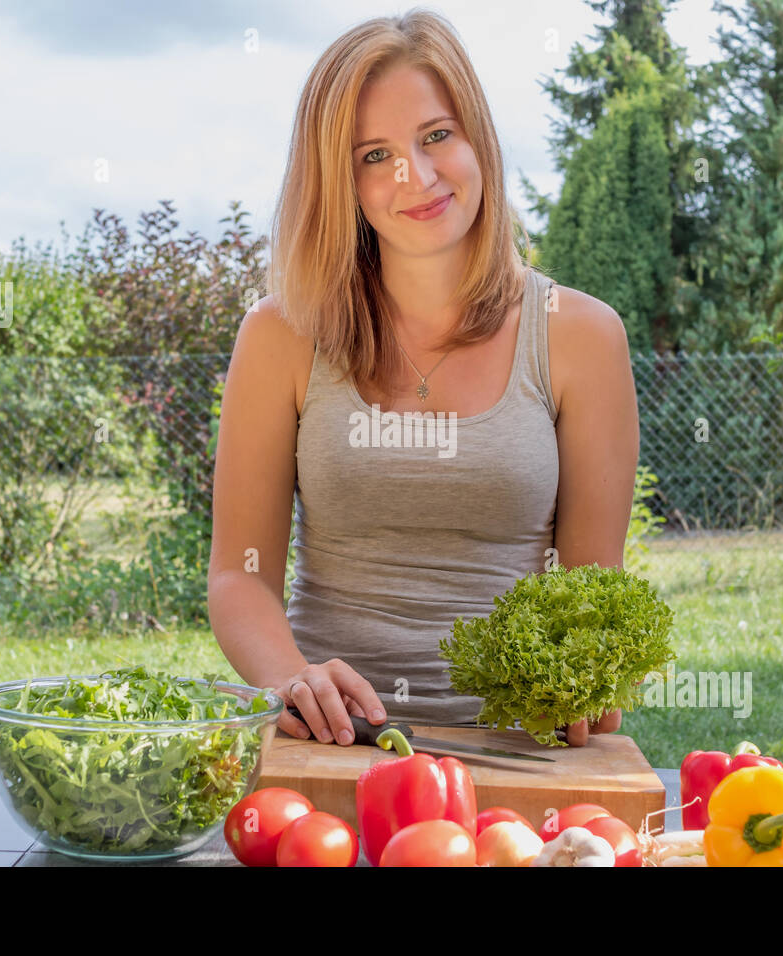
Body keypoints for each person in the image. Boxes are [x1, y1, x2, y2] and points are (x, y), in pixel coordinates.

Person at [208, 8, 639, 749]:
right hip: (332, 744)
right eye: (374, 155)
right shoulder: (280, 336)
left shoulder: (582, 336)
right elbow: (239, 575)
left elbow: (591, 591)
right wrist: (290, 680)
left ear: (478, 137)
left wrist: (589, 676)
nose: (417, 175)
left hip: (517, 748)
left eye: (436, 135)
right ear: (339, 182)